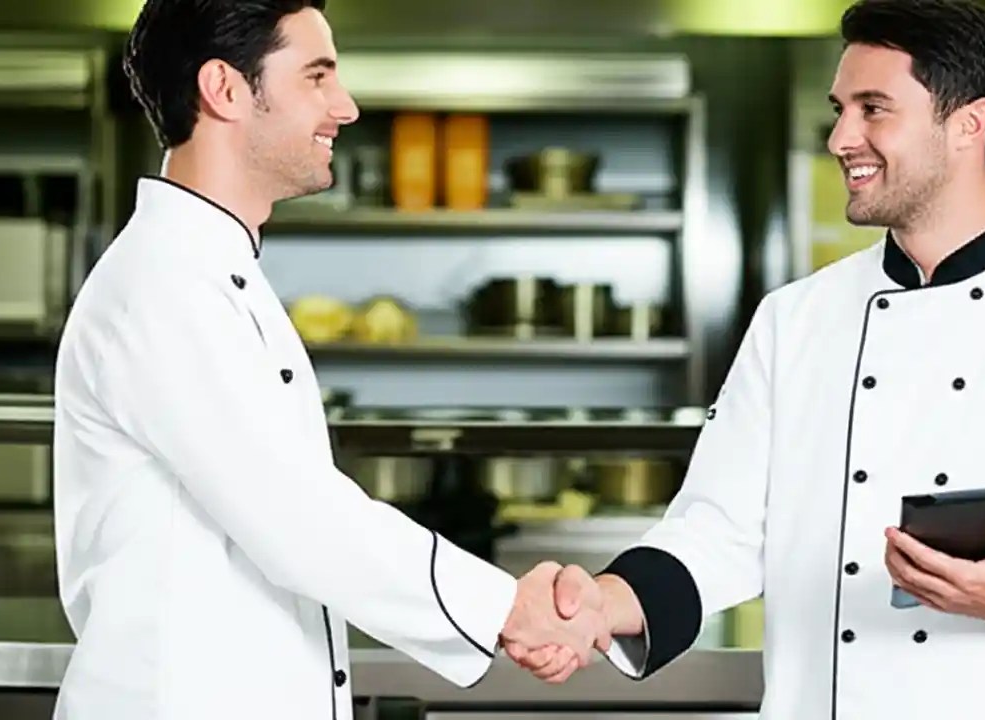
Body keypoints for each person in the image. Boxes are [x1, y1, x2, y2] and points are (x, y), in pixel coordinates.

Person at [505, 0, 985, 718]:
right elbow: (717, 533)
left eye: (874, 109)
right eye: (840, 108)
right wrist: (603, 602)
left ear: (970, 123)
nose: (842, 137)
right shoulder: (795, 319)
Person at [50, 2, 603, 718]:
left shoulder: (212, 271)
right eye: (317, 77)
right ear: (226, 89)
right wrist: (506, 607)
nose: (344, 107)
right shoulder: (163, 286)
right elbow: (298, 518)